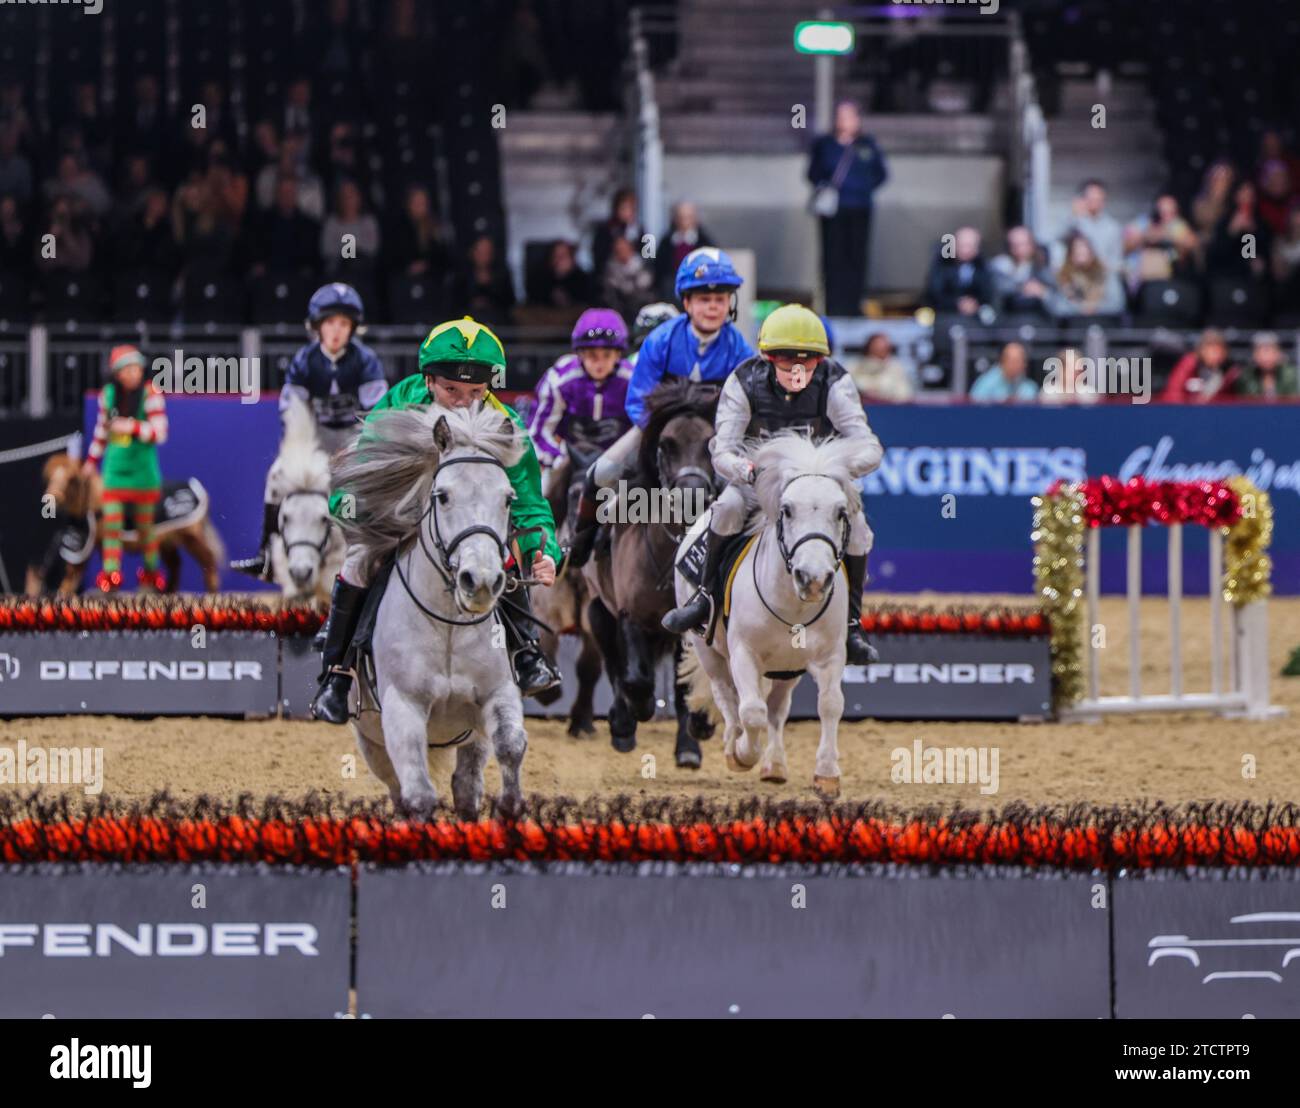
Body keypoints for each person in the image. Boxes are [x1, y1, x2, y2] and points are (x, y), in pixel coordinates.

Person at [311, 317, 564, 722]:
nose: (464, 402)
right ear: (429, 380)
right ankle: (336, 675)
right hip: (397, 513)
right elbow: (353, 477)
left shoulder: (505, 426)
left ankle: (527, 653)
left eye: (476, 391)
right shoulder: (400, 403)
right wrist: (358, 518)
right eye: (452, 390)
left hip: (467, 524)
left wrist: (544, 552)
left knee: (504, 558)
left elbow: (531, 505)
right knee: (358, 561)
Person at [660, 305, 882, 663]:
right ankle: (703, 598)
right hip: (758, 482)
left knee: (859, 529)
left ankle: (853, 623)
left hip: (816, 485)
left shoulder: (836, 382)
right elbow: (722, 449)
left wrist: (833, 469)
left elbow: (869, 444)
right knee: (726, 509)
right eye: (786, 360)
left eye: (806, 362)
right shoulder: (743, 380)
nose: (797, 370)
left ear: (821, 360)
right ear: (767, 357)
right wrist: (747, 471)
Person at [565, 247, 755, 568]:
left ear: (730, 304)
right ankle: (581, 545)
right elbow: (637, 400)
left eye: (720, 299)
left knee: (750, 492)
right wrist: (660, 434)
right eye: (703, 299)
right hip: (659, 432)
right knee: (602, 472)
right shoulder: (661, 341)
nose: (712, 307)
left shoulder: (740, 349)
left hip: (718, 438)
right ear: (687, 302)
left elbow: (747, 404)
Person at [231, 283, 387, 579]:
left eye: (344, 323)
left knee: (374, 487)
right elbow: (294, 415)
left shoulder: (366, 361)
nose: (336, 331)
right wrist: (305, 451)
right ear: (317, 326)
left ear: (353, 328)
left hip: (354, 441)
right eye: (330, 323)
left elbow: (375, 415)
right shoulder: (303, 361)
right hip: (315, 442)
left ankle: (381, 551)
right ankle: (265, 553)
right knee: (275, 476)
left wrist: (355, 449)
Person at [82, 346, 168, 592]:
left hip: (143, 473)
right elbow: (101, 433)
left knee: (145, 528)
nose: (134, 373)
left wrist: (131, 426)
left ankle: (151, 577)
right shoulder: (107, 395)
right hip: (114, 472)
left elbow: (160, 432)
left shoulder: (151, 393)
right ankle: (111, 578)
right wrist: (90, 463)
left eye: (137, 368)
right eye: (128, 369)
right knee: (111, 525)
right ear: (118, 373)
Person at [528, 308, 634, 485]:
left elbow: (643, 429)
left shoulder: (632, 381)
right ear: (580, 354)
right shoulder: (559, 380)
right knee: (542, 494)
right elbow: (538, 432)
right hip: (569, 461)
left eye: (606, 355)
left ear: (618, 355)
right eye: (592, 355)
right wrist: (558, 458)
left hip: (620, 463)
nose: (599, 363)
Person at [807, 100, 888, 316]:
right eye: (841, 116)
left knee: (856, 258)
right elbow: (812, 173)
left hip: (860, 209)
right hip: (833, 211)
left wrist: (861, 190)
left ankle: (853, 306)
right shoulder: (825, 144)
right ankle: (833, 306)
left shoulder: (867, 145)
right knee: (833, 258)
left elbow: (881, 174)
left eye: (850, 116)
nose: (845, 121)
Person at [1048, 232, 1126, 318]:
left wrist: (1095, 308)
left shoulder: (1106, 275)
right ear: (1070, 255)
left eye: (1084, 250)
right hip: (1074, 324)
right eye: (1076, 251)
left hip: (1103, 323)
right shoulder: (1064, 277)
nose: (1081, 253)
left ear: (1092, 253)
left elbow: (1117, 304)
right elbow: (1059, 307)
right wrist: (1080, 309)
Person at [924, 226, 994, 316]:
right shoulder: (942, 263)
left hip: (976, 317)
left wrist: (974, 303)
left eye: (970, 246)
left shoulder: (982, 264)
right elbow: (934, 293)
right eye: (962, 245)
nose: (965, 250)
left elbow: (988, 292)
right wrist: (957, 303)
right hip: (945, 315)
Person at [653, 201, 715, 298]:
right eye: (681, 217)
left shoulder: (703, 241)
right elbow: (659, 270)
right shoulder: (667, 241)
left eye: (688, 217)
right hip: (671, 289)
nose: (684, 221)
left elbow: (710, 265)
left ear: (695, 219)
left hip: (697, 285)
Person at [1160, 329, 1242, 402]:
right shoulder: (1189, 364)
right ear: (1202, 350)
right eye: (1212, 351)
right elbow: (1173, 392)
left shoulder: (1230, 373)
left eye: (1219, 351)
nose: (1217, 356)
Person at [989, 225, 1055, 316]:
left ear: (1032, 245)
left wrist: (1043, 293)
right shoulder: (1000, 266)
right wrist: (1022, 287)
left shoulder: (1042, 269)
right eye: (1014, 245)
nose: (1018, 249)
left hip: (1037, 319)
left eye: (1023, 244)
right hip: (1008, 319)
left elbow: (1057, 301)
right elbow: (998, 288)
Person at [1063, 178, 1123, 273]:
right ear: (1083, 199)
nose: (1094, 201)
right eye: (1091, 198)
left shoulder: (1112, 227)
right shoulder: (1074, 221)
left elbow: (1116, 260)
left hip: (1102, 279)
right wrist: (1072, 216)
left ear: (1104, 200)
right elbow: (1056, 240)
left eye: (1098, 198)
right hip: (1077, 276)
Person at [848, 332, 913, 402]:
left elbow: (904, 394)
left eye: (884, 346)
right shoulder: (854, 366)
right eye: (877, 346)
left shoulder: (896, 368)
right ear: (869, 347)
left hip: (889, 409)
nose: (881, 349)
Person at [969, 342, 1039, 403]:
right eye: (1012, 361)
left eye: (1018, 361)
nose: (1015, 365)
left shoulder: (1030, 387)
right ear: (1002, 361)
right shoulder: (987, 382)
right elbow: (974, 406)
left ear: (1024, 364)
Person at [1240, 332, 1297, 398]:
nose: (1266, 358)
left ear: (1278, 353)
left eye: (1270, 351)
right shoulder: (1246, 376)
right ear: (1254, 355)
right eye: (1261, 352)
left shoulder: (1292, 375)